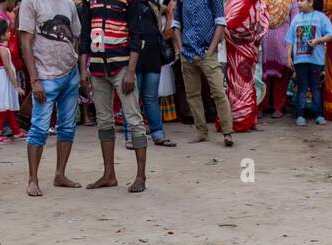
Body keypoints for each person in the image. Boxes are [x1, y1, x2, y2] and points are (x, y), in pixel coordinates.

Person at [80, 0, 149, 190]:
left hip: (122, 67)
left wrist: (131, 71)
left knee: (134, 119)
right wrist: (83, 70)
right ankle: (109, 174)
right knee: (104, 120)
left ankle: (140, 177)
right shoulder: (89, 2)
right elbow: (84, 37)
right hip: (97, 68)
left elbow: (137, 36)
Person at [20, 0, 81, 194]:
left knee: (67, 126)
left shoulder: (68, 4)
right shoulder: (31, 2)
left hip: (70, 72)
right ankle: (33, 179)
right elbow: (26, 41)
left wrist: (74, 58)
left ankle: (60, 174)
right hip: (45, 75)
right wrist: (34, 78)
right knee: (39, 127)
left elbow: (75, 35)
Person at [174, 0, 236, 142]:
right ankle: (201, 131)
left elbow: (220, 23)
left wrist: (211, 49)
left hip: (206, 52)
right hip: (188, 53)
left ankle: (227, 132)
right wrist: (181, 49)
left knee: (219, 92)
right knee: (192, 95)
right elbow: (176, 24)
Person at [129, 0, 176, 145]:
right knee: (132, 99)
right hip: (134, 56)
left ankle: (158, 134)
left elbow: (161, 31)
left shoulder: (154, 6)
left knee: (151, 97)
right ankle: (132, 136)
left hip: (152, 55)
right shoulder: (129, 4)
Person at [285, 0, 332, 124]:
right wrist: (289, 57)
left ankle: (318, 114)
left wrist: (318, 40)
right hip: (300, 60)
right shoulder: (296, 19)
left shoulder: (321, 17)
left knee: (315, 87)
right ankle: (300, 115)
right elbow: (290, 40)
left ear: (311, 2)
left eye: (301, 1)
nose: (298, 3)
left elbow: (331, 35)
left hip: (316, 59)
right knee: (301, 87)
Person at [224, 0, 267, 131]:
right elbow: (262, 26)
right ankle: (246, 118)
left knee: (241, 82)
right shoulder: (258, 2)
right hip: (243, 48)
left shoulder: (234, 2)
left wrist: (225, 30)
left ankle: (241, 119)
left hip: (240, 47)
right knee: (242, 82)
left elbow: (228, 24)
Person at [0, 18, 24, 140]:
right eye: (6, 32)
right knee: (2, 106)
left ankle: (16, 130)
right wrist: (16, 85)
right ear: (1, 35)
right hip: (3, 79)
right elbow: (8, 67)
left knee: (5, 105)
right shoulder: (2, 50)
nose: (9, 33)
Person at [261, 0, 296, 118]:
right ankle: (261, 105)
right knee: (262, 75)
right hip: (263, 40)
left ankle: (279, 107)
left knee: (282, 75)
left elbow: (295, 21)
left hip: (283, 42)